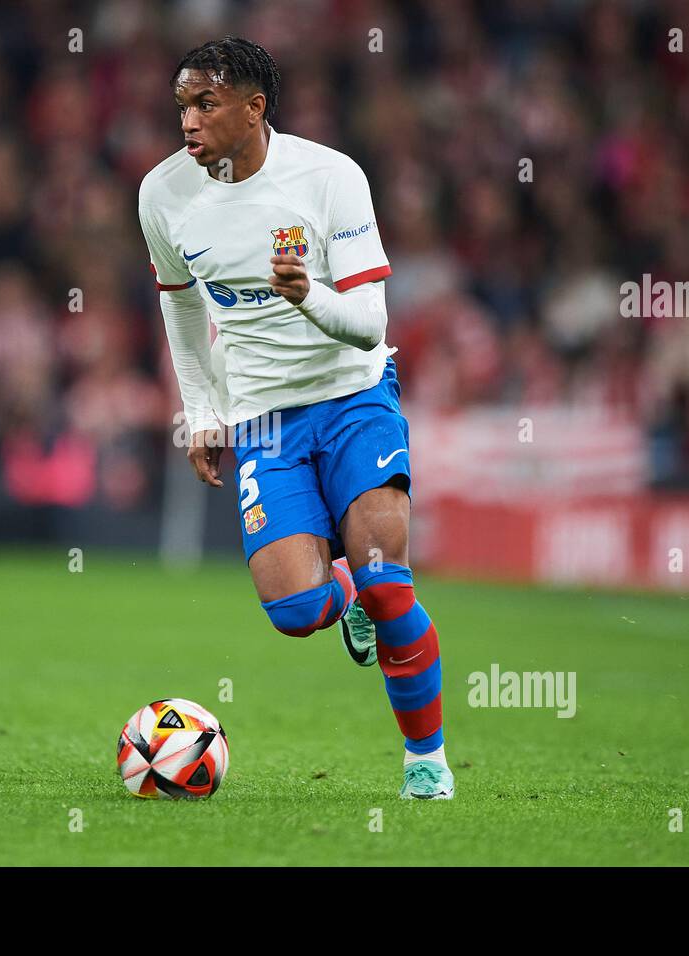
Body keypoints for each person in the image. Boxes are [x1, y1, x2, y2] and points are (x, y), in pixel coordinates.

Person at [138, 37, 452, 799]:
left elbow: (372, 324)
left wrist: (306, 294)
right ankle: (342, 605)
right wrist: (202, 412)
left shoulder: (329, 177)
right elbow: (179, 308)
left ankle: (425, 763)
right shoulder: (162, 194)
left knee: (386, 580)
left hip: (353, 397)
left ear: (254, 107)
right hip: (262, 418)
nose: (189, 119)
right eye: (182, 103)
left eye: (205, 103)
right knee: (297, 609)